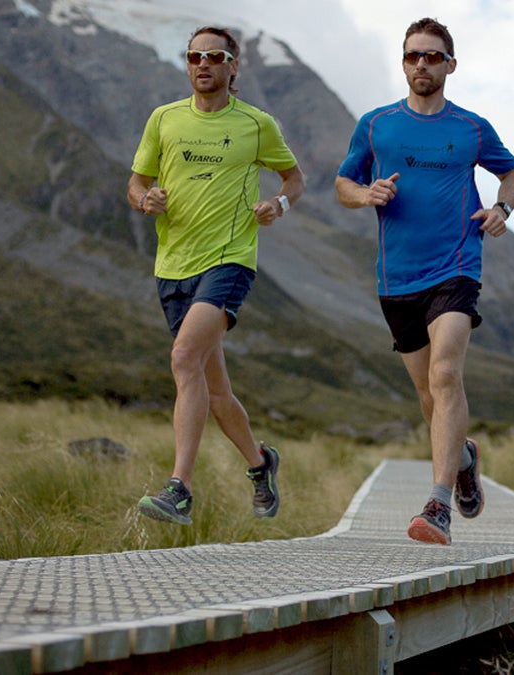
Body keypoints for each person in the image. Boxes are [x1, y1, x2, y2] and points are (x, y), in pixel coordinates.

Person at [335, 17, 514, 545]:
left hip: (456, 267)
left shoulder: (471, 128)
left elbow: (513, 173)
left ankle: (437, 505)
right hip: (397, 278)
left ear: (450, 65)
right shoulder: (376, 125)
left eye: (433, 56)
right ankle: (462, 457)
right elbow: (343, 182)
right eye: (413, 55)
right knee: (428, 395)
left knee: (445, 374)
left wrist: (502, 209)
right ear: (403, 63)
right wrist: (365, 194)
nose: (422, 64)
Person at [128, 26, 305, 525]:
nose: (203, 63)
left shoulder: (256, 124)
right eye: (194, 56)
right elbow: (136, 183)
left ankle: (180, 489)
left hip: (229, 259)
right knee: (216, 391)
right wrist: (145, 200)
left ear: (233, 66)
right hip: (172, 266)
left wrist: (278, 205)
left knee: (184, 357)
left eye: (214, 56)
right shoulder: (164, 119)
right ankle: (260, 462)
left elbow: (294, 178)